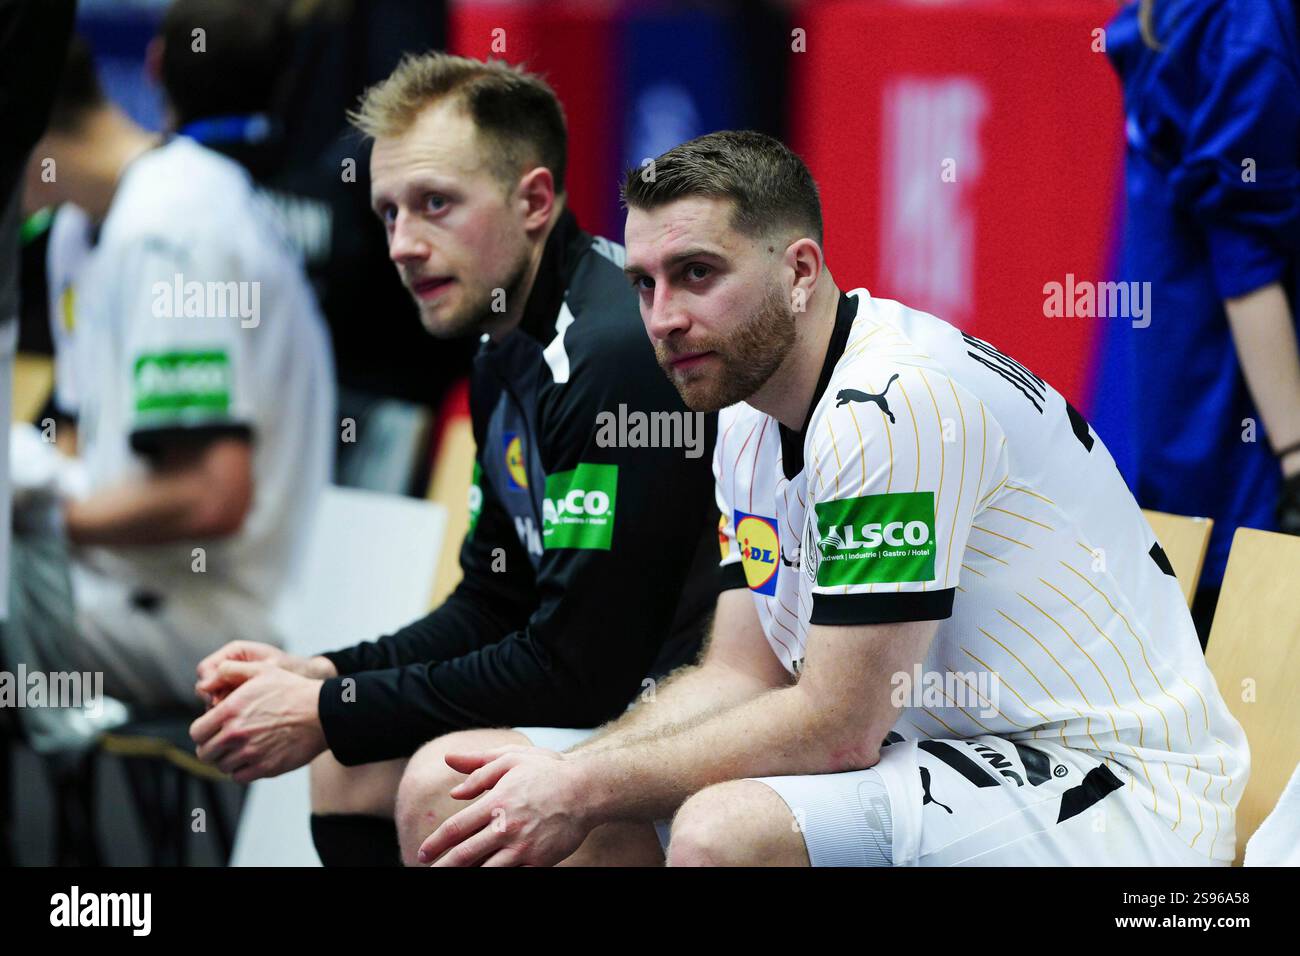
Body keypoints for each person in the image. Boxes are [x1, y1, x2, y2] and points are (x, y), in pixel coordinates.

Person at [407, 131, 1249, 868]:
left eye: (696, 274)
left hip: (1122, 801)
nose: (662, 318)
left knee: (721, 833)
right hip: (949, 760)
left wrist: (583, 783)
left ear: (801, 270)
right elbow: (744, 674)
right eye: (644, 284)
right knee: (456, 787)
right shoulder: (741, 415)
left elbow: (838, 725)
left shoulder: (895, 404)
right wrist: (568, 781)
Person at [190, 53, 718, 866]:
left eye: (435, 205)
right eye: (389, 213)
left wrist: (332, 705)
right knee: (351, 760)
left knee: (438, 779)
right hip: (611, 697)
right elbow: (495, 600)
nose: (403, 244)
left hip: (700, 724)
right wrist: (324, 674)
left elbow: (577, 669)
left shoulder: (614, 350)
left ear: (534, 200)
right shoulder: (499, 349)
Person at [6, 37, 334, 752]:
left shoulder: (174, 225)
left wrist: (40, 520)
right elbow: (72, 432)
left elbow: (211, 494)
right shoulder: (74, 227)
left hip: (220, 616)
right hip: (110, 582)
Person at [1104, 0, 1300, 641]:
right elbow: (1246, 266)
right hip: (1248, 460)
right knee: (1261, 715)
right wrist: (1296, 458)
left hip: (1193, 445)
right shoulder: (1247, 28)